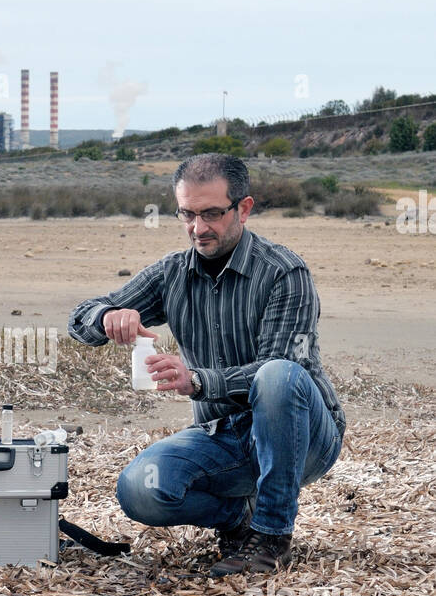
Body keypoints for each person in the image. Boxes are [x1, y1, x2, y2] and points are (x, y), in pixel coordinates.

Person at [67, 154, 345, 574]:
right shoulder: (171, 273)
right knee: (139, 489)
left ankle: (270, 538)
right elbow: (80, 319)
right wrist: (106, 317)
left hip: (304, 434)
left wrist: (197, 380)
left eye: (212, 213)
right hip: (221, 436)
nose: (198, 229)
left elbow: (285, 366)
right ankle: (238, 519)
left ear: (244, 208)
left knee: (277, 377)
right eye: (187, 214)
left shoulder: (285, 272)